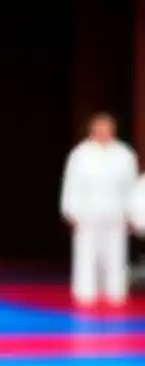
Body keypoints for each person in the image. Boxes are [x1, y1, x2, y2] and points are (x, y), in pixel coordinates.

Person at [59, 112, 138, 307]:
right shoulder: (80, 154)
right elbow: (71, 183)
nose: (103, 131)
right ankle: (85, 292)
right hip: (87, 211)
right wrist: (70, 210)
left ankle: (115, 291)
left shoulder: (124, 154)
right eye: (99, 127)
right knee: (86, 252)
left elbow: (131, 186)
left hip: (116, 210)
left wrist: (133, 213)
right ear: (92, 130)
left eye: (107, 128)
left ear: (114, 130)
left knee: (116, 252)